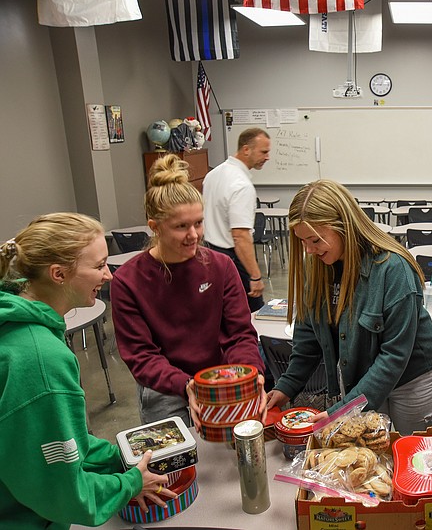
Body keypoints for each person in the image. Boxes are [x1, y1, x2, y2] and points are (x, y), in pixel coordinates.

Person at [0, 213, 174, 528]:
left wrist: (120, 458)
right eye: (98, 266)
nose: (108, 276)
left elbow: (66, 440)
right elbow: (64, 493)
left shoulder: (16, 324)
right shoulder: (42, 361)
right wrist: (131, 484)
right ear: (58, 274)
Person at [264, 179, 432, 435]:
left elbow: (394, 356)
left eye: (315, 240)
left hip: (414, 381)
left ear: (344, 227)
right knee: (372, 454)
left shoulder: (392, 269)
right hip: (364, 379)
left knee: (414, 453)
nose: (308, 250)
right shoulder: (317, 266)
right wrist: (287, 385)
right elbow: (308, 337)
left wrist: (346, 408)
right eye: (303, 241)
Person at [111, 154, 268, 427]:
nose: (194, 235)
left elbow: (239, 334)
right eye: (181, 226)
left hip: (221, 378)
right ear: (155, 227)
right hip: (165, 388)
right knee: (177, 465)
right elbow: (141, 356)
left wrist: (250, 372)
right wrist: (186, 384)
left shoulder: (221, 266)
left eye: (198, 222)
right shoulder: (128, 281)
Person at [203, 127, 271, 312]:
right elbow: (240, 236)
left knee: (222, 312)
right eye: (263, 152)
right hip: (232, 258)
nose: (267, 157)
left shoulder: (212, 175)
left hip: (210, 255)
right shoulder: (241, 185)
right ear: (246, 149)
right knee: (253, 313)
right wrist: (255, 276)